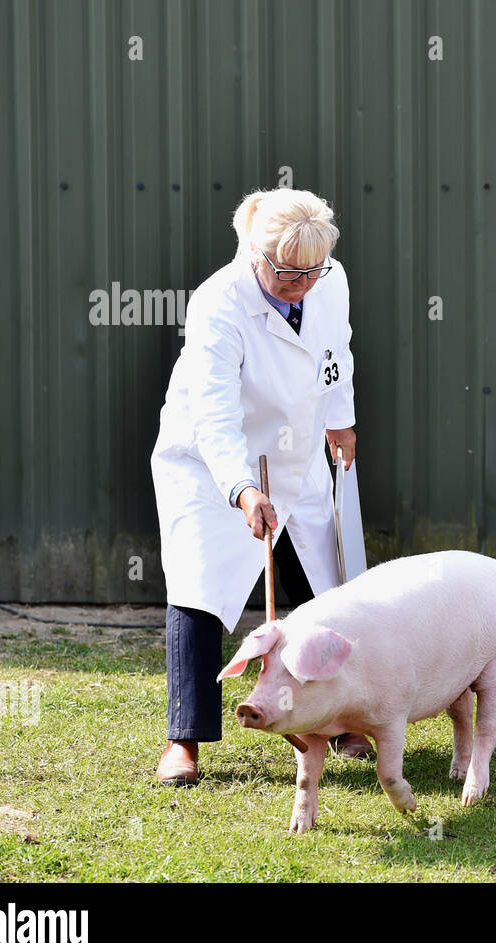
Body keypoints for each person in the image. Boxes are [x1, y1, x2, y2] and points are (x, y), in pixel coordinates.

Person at [150, 188, 372, 784]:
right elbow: (214, 414)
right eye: (287, 271)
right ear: (256, 253)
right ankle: (186, 740)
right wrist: (242, 489)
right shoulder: (218, 303)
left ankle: (338, 716)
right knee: (200, 588)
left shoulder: (332, 278)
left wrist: (341, 418)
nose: (302, 282)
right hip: (210, 463)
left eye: (312, 270)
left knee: (333, 585)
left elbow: (336, 353)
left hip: (299, 452)